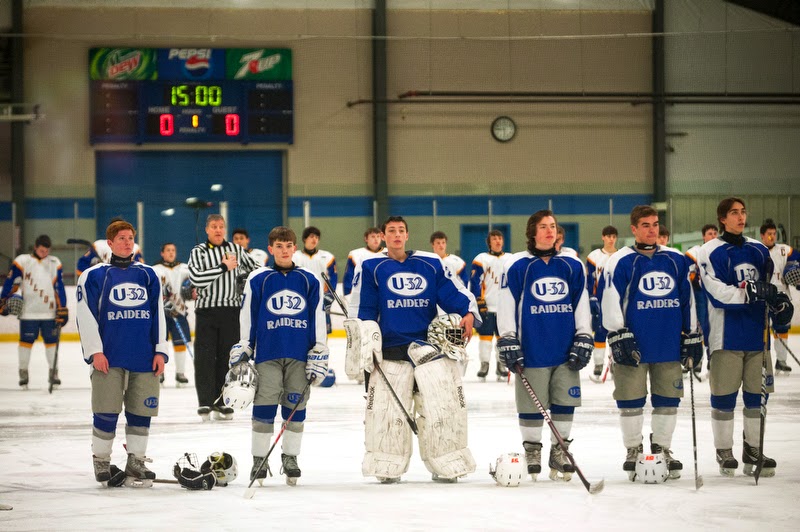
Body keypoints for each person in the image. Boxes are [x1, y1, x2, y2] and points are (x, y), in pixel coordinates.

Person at [347, 215, 480, 483]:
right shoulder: (371, 266)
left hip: (427, 350)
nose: (397, 235)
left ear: (407, 235)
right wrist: (364, 341)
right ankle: (387, 463)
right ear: (383, 236)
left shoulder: (430, 263)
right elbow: (364, 309)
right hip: (390, 351)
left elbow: (453, 292)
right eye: (391, 231)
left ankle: (445, 461)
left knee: (440, 407)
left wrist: (467, 312)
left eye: (401, 231)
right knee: (387, 412)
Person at [695, 197, 793, 478]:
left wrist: (780, 304)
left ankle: (753, 449)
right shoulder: (709, 251)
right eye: (734, 213)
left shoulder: (759, 250)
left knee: (756, 397)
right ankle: (724, 450)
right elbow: (715, 292)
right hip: (725, 337)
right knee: (724, 397)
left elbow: (771, 286)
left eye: (743, 212)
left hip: (757, 337)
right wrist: (748, 293)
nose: (741, 217)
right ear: (722, 218)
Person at [602, 205, 698, 481]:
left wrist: (691, 333)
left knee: (668, 400)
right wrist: (618, 332)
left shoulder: (675, 259)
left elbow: (687, 299)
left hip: (668, 343)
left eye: (655, 224)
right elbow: (610, 299)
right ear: (634, 229)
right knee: (630, 401)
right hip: (633, 346)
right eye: (645, 225)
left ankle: (661, 447)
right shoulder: (620, 261)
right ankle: (633, 449)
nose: (652, 229)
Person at [496, 209, 593, 482]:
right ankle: (532, 450)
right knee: (531, 405)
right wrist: (508, 337)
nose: (550, 231)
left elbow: (581, 302)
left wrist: (584, 335)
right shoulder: (517, 264)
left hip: (566, 347)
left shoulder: (572, 265)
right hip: (532, 347)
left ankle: (560, 451)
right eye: (543, 227)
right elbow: (507, 303)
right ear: (532, 232)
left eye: (552, 226)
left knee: (565, 401)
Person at [229, 226, 328, 486]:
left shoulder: (309, 279)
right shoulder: (258, 278)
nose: (284, 251)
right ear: (270, 249)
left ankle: (290, 457)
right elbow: (248, 315)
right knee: (264, 405)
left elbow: (317, 316)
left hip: (299, 354)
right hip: (267, 353)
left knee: (296, 406)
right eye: (279, 246)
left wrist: (319, 348)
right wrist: (246, 345)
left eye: (288, 246)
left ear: (295, 248)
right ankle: (259, 459)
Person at [76, 220, 169, 487]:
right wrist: (95, 352)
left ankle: (136, 460)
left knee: (141, 413)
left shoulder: (148, 274)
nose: (128, 243)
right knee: (105, 412)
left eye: (130, 238)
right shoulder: (93, 275)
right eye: (122, 238)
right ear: (110, 243)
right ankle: (102, 460)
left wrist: (160, 351)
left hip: (144, 357)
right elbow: (85, 316)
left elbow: (158, 314)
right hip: (109, 358)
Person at [188, 214, 260, 421]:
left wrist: (245, 279)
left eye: (221, 226)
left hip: (231, 312)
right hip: (206, 312)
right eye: (214, 226)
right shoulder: (199, 251)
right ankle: (205, 402)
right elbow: (196, 279)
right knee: (205, 359)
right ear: (207, 230)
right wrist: (223, 268)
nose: (218, 230)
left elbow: (257, 270)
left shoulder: (236, 249)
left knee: (227, 359)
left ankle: (223, 401)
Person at [0, 235, 68, 388]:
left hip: (50, 313)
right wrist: (3, 299)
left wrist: (63, 308)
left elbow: (59, 288)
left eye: (47, 251)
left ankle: (53, 372)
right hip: (28, 313)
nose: (45, 253)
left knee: (51, 343)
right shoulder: (23, 261)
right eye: (42, 250)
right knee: (25, 343)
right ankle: (23, 372)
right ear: (35, 247)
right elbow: (11, 282)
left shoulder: (54, 262)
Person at [469, 229, 514, 381]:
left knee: (502, 339)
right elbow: (475, 282)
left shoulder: (510, 259)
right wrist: (479, 301)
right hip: (487, 306)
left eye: (500, 238)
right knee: (485, 338)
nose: (497, 241)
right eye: (494, 238)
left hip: (504, 307)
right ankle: (484, 364)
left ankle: (501, 365)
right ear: (489, 242)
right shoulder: (481, 259)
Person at [760, 218, 800, 374]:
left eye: (774, 233)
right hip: (763, 295)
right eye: (769, 234)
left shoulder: (785, 250)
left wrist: (795, 275)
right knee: (762, 329)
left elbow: (796, 262)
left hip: (781, 296)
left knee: (782, 328)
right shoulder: (756, 250)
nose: (772, 236)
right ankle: (763, 360)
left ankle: (781, 361)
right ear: (762, 236)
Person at [151, 242, 192, 386]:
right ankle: (159, 373)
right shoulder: (155, 269)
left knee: (180, 343)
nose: (171, 252)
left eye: (173, 250)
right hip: (161, 314)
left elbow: (193, 285)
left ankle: (180, 373)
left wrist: (192, 290)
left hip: (179, 312)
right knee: (159, 344)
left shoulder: (184, 268)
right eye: (168, 250)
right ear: (162, 253)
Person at [685, 224, 719, 372]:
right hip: (699, 294)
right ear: (703, 236)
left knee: (714, 326)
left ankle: (713, 358)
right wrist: (693, 277)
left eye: (715, 233)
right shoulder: (695, 252)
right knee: (700, 325)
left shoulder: (721, 251)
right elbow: (686, 270)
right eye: (710, 233)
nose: (713, 236)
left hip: (716, 294)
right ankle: (698, 359)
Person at [585, 225, 618, 379]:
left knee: (617, 331)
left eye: (614, 236)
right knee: (600, 331)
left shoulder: (621, 256)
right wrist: (592, 297)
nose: (611, 239)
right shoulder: (594, 256)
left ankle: (616, 361)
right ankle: (598, 363)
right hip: (600, 300)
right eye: (608, 236)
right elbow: (590, 279)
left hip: (616, 301)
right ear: (603, 237)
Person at [293, 226, 337, 334]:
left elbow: (333, 278)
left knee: (322, 332)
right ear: (305, 239)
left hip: (321, 298)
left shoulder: (327, 257)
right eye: (312, 236)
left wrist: (329, 296)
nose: (314, 239)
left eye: (317, 237)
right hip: (301, 299)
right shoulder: (295, 257)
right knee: (301, 331)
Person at [76, 217, 144, 277]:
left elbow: (140, 270)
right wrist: (93, 276)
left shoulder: (134, 247)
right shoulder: (99, 245)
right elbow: (82, 264)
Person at [342, 227, 384, 298]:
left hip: (383, 294)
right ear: (366, 239)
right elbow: (349, 277)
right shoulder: (355, 254)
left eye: (378, 236)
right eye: (373, 236)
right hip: (363, 294)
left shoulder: (389, 253)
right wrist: (348, 296)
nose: (376, 239)